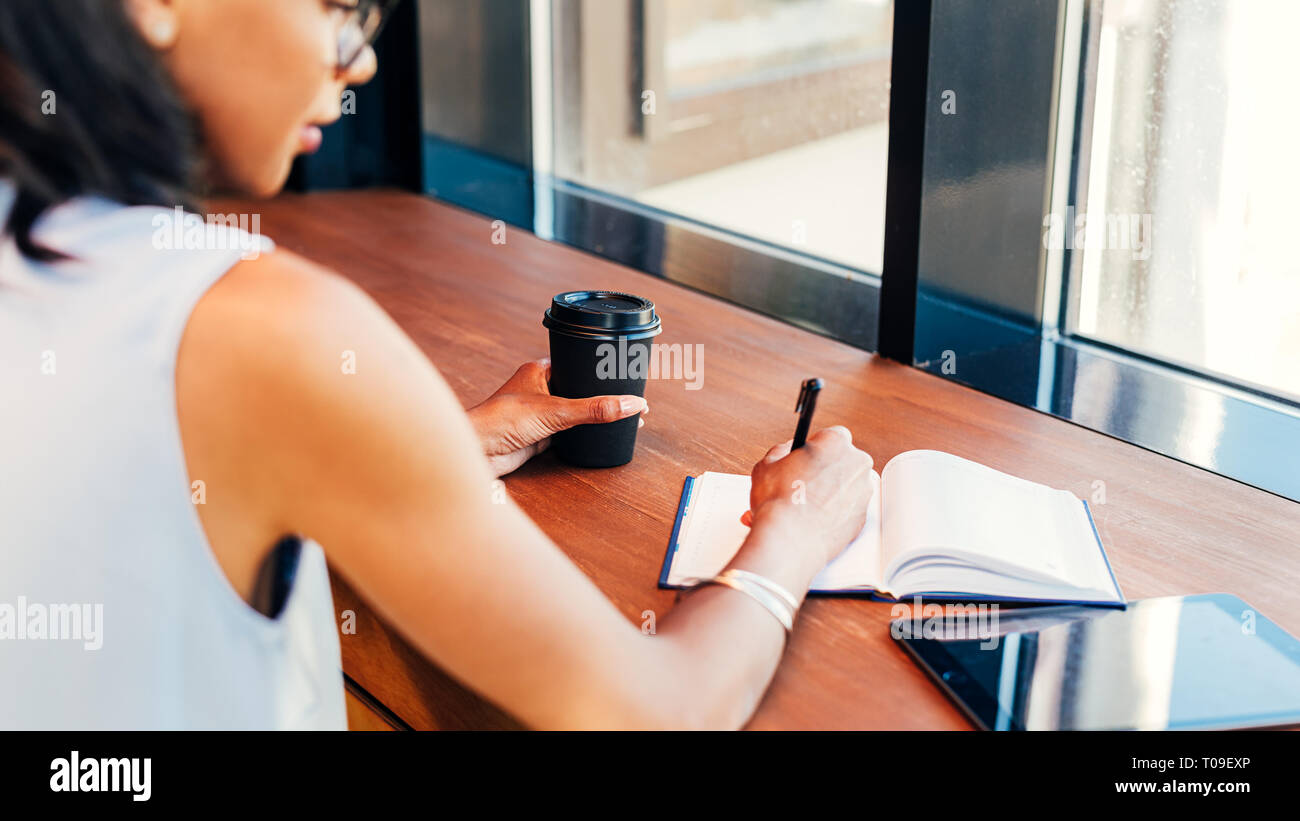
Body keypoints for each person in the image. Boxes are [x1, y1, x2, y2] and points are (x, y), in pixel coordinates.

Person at [0, 0, 874, 729]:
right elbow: (653, 712)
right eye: (341, 11)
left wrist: (419, 447)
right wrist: (792, 532)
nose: (363, 66)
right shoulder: (257, 321)